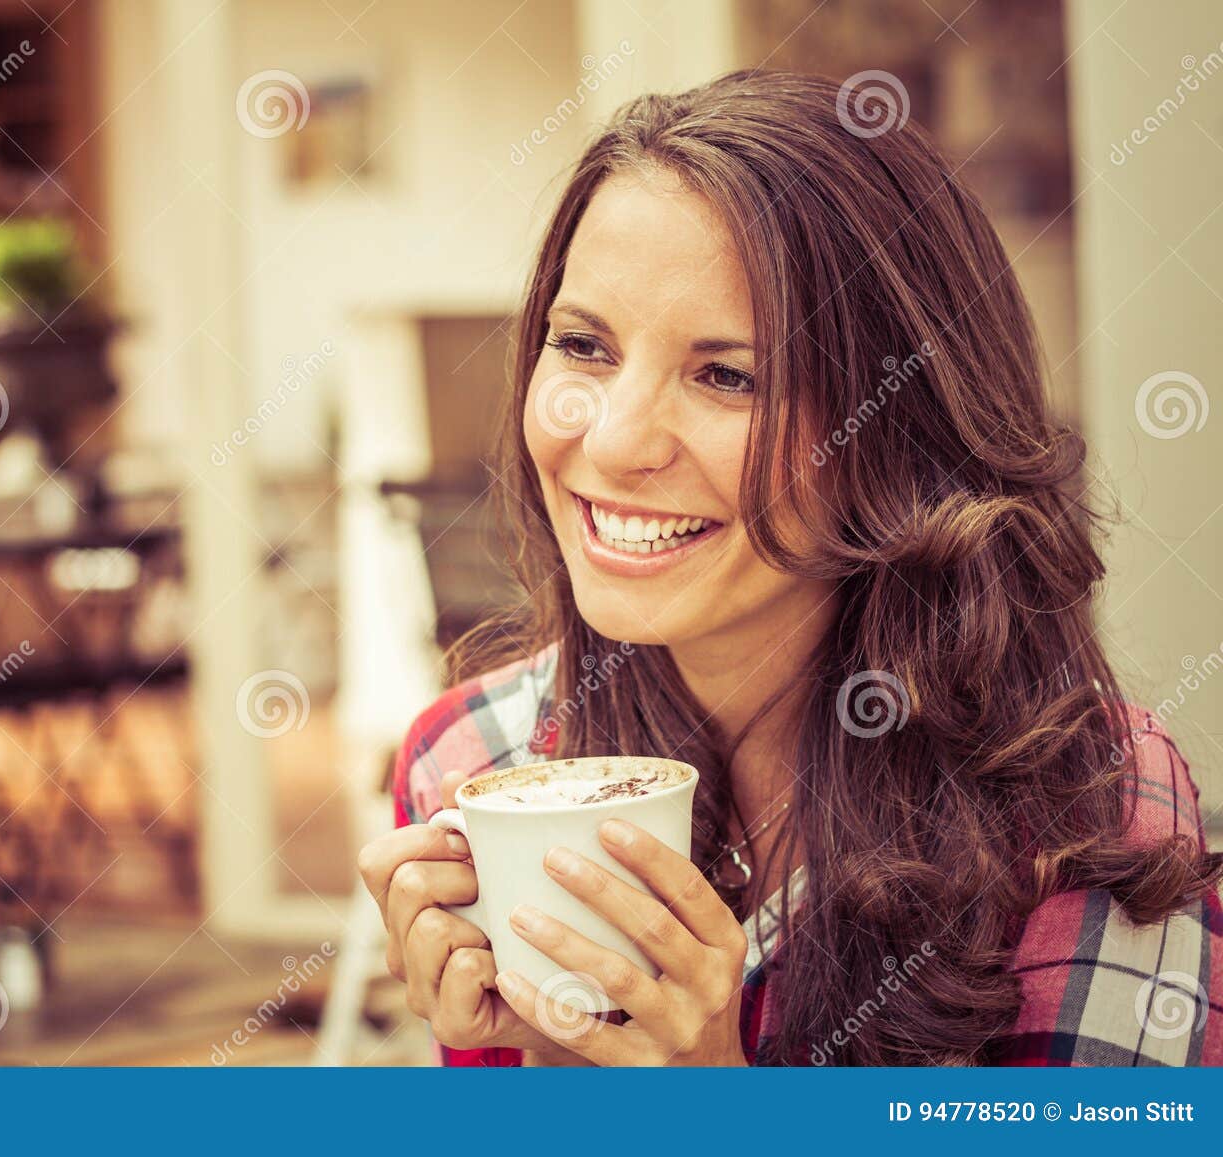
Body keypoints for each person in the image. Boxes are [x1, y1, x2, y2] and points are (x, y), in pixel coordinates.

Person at [357, 70, 1222, 1066]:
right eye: (584, 345)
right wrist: (560, 1060)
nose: (614, 439)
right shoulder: (474, 762)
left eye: (728, 374)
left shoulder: (1086, 808)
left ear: (898, 426)